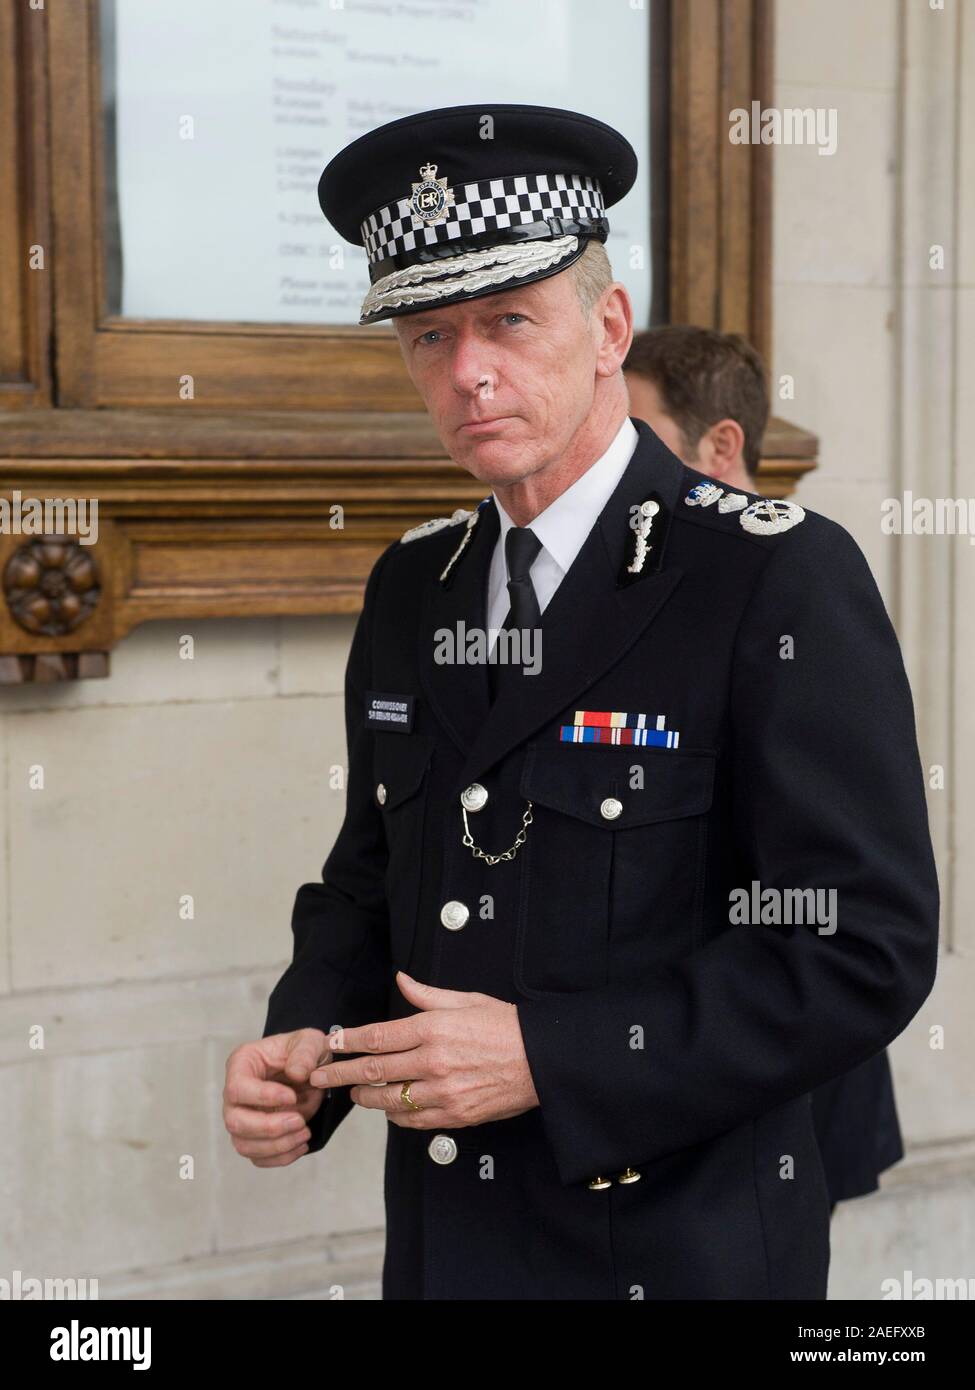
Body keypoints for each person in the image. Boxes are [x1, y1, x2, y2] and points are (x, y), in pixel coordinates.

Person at [223, 103, 939, 1300]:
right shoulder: (413, 586)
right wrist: (310, 1033)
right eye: (429, 333)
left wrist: (551, 1056)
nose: (469, 371)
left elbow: (862, 945)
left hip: (676, 1252)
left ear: (608, 326)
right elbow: (371, 875)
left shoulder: (770, 572)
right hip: (451, 1252)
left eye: (508, 317)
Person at [624, 325, 907, 1216]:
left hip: (785, 1048)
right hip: (667, 1069)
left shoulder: (803, 577)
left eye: (635, 436)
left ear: (722, 445)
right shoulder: (630, 580)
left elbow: (854, 903)